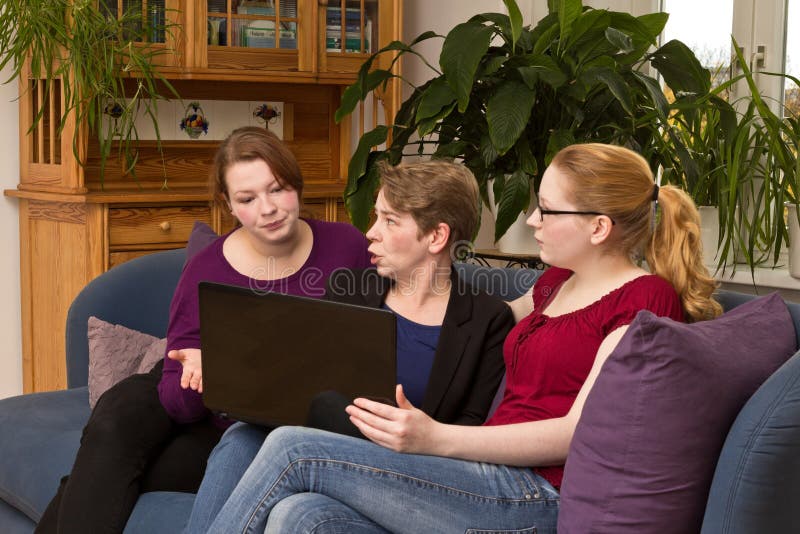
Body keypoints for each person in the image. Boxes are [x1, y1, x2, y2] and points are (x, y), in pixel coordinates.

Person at [202, 143, 723, 534]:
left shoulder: (643, 297)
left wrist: (435, 438)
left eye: (548, 209)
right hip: (480, 478)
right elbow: (472, 315)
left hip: (534, 495)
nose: (533, 220)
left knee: (292, 450)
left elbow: (574, 432)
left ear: (599, 227)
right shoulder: (555, 284)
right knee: (302, 514)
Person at [35, 126, 372, 534]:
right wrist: (205, 375)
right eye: (247, 199)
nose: (268, 208)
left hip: (256, 424)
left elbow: (375, 346)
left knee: (99, 475)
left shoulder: (348, 247)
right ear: (229, 205)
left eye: (278, 189)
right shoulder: (207, 267)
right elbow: (178, 401)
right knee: (115, 419)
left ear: (296, 185)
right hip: (203, 398)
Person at [184, 159, 516, 532]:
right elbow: (305, 380)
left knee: (288, 465)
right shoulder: (350, 288)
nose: (371, 232)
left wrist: (419, 431)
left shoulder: (489, 319)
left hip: (408, 470)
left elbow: (469, 427)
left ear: (437, 237)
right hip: (326, 444)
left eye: (390, 221)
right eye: (376, 216)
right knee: (242, 435)